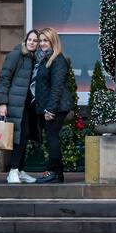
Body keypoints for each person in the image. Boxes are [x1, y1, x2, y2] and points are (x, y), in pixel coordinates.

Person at [0, 29, 40, 184]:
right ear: (25, 40)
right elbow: (4, 78)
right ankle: (13, 171)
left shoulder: (34, 59)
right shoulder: (16, 54)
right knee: (19, 138)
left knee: (24, 136)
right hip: (14, 104)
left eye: (35, 40)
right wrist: (2, 102)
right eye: (30, 39)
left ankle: (19, 171)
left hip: (26, 106)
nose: (32, 42)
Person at [33, 28, 74, 184]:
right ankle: (57, 173)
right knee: (51, 138)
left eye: (46, 40)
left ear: (53, 41)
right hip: (49, 107)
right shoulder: (45, 59)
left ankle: (54, 173)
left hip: (56, 108)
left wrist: (50, 109)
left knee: (52, 138)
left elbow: (57, 87)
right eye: (41, 40)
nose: (42, 43)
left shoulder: (58, 60)